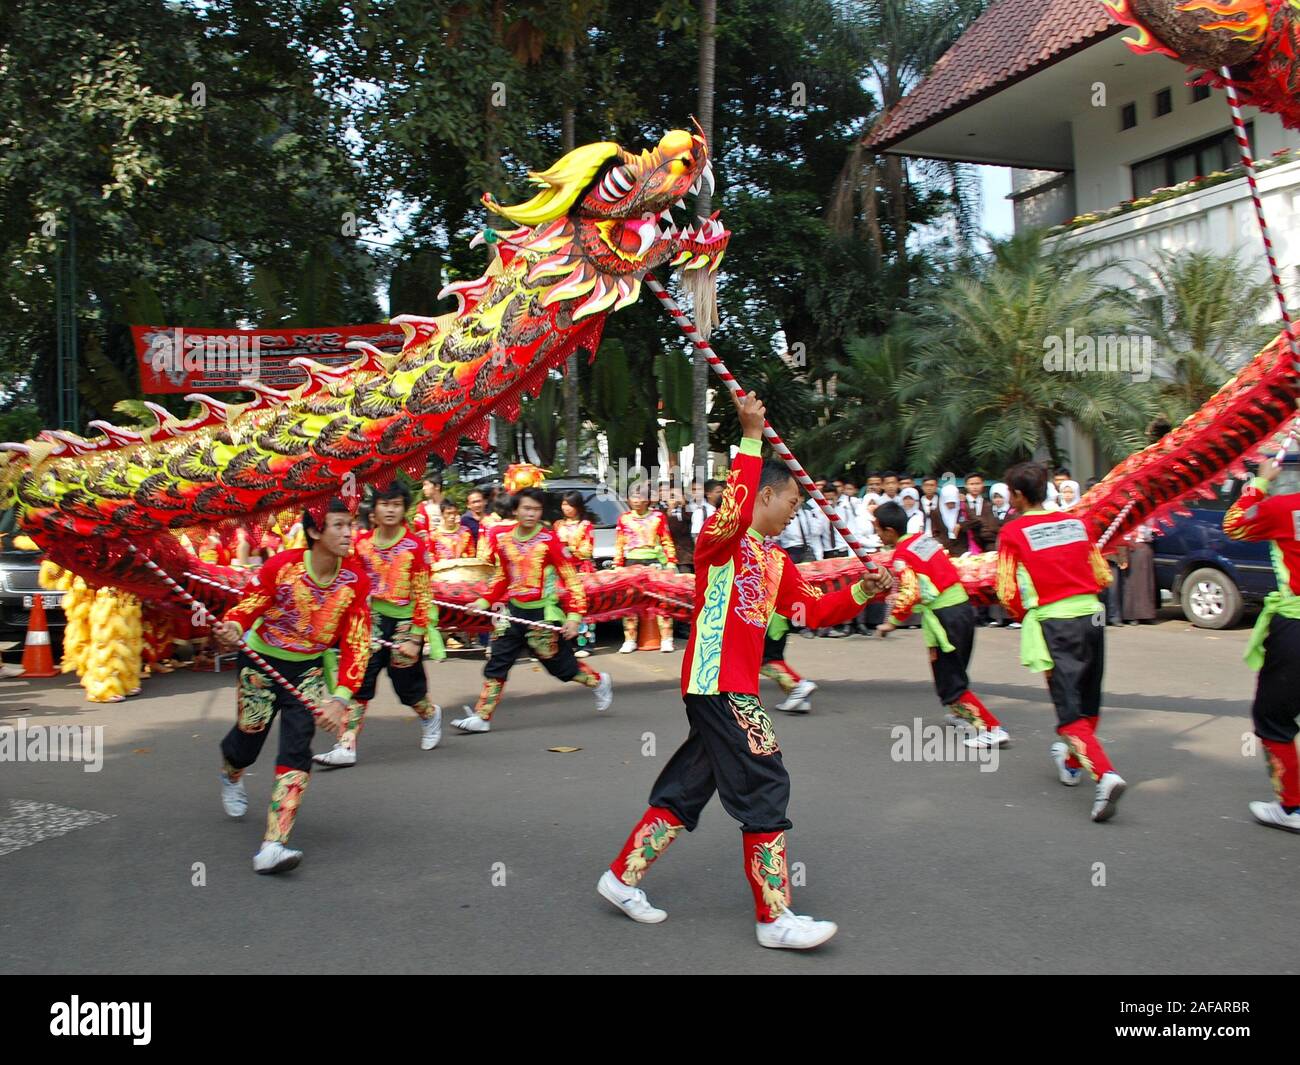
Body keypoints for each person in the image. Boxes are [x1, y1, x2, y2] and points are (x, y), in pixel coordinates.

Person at [596, 390, 890, 949]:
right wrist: (750, 437)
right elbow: (732, 513)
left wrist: (862, 590)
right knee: (764, 778)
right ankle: (774, 916)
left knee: (688, 788)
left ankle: (622, 877)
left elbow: (810, 610)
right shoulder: (720, 543)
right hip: (718, 683)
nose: (795, 512)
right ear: (765, 495)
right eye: (791, 502)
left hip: (729, 686)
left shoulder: (776, 560)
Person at [213, 499, 371, 874]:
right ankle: (231, 772)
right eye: (338, 525)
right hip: (261, 664)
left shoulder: (355, 581)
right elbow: (245, 610)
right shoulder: (280, 567)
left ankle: (273, 844)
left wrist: (340, 698)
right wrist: (231, 628)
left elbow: (357, 644)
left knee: (297, 749)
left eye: (350, 524)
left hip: (308, 672)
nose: (348, 533)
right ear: (315, 531)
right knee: (248, 739)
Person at [997, 463, 1125, 822]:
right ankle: (1071, 763)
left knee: (1068, 708)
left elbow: (1006, 591)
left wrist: (1026, 614)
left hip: (1056, 622)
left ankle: (1105, 775)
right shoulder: (1077, 523)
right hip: (1093, 615)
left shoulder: (1013, 532)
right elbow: (1102, 573)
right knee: (1089, 697)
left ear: (1019, 495)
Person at [452, 487, 612, 733]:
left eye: (536, 509)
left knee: (561, 668)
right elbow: (503, 577)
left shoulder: (549, 541)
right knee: (498, 661)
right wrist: (483, 602)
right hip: (513, 611)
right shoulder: (503, 538)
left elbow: (571, 580)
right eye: (526, 508)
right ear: (515, 510)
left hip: (542, 614)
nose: (531, 514)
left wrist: (574, 616)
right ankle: (482, 716)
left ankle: (598, 682)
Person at [315, 483, 443, 768]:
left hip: (404, 623)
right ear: (374, 509)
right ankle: (346, 745)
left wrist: (415, 637)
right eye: (385, 504)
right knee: (359, 682)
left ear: (403, 509)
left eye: (396, 504)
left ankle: (430, 715)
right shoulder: (360, 544)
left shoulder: (415, 545)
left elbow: (423, 594)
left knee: (407, 687)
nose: (390, 509)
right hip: (370, 622)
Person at [875, 502, 1008, 747]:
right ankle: (961, 714)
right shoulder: (923, 540)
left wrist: (891, 622)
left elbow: (910, 592)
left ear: (890, 531)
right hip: (962, 610)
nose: (877, 534)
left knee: (950, 679)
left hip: (946, 616)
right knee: (955, 671)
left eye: (878, 529)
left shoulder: (902, 555)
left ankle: (991, 728)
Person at [1223, 454, 1300, 831]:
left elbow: (1234, 525)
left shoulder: (1285, 508)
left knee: (1273, 717)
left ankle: (1292, 807)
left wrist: (1261, 482)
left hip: (1295, 627)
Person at [614, 484, 677, 653]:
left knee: (661, 600)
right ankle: (630, 639)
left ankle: (666, 638)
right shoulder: (624, 518)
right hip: (631, 562)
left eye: (640, 497)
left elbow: (666, 540)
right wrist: (617, 564)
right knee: (630, 602)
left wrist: (671, 562)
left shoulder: (658, 517)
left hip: (654, 561)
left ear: (647, 500)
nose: (636, 501)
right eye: (633, 497)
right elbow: (620, 543)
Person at [554, 491, 597, 657]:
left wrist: (568, 549)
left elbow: (587, 550)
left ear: (578, 507)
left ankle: (585, 644)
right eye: (564, 504)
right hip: (561, 570)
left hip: (581, 569)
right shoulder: (558, 525)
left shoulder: (586, 525)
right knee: (561, 605)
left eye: (570, 505)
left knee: (582, 605)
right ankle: (565, 643)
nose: (566, 508)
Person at [663, 487, 695, 574]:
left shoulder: (687, 510)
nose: (674, 499)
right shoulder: (662, 512)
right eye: (672, 496)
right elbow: (665, 528)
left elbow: (690, 520)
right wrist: (670, 509)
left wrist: (684, 504)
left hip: (685, 555)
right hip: (667, 554)